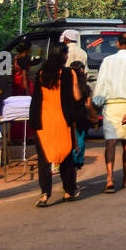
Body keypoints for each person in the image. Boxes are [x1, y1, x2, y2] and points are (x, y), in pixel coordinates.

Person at [29, 47, 81, 206]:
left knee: (44, 159)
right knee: (66, 157)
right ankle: (69, 191)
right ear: (65, 56)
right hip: (62, 121)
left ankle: (45, 194)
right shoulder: (69, 73)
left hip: (44, 122)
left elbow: (36, 99)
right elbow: (77, 96)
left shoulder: (41, 74)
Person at [92, 31, 126, 193]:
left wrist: (96, 105)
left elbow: (100, 85)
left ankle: (109, 180)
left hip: (110, 105)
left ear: (118, 44)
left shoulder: (107, 61)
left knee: (110, 142)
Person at [70, 59, 93, 168]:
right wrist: (93, 117)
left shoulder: (66, 87)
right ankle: (76, 162)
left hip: (68, 117)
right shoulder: (86, 88)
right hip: (81, 118)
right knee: (79, 141)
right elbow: (88, 105)